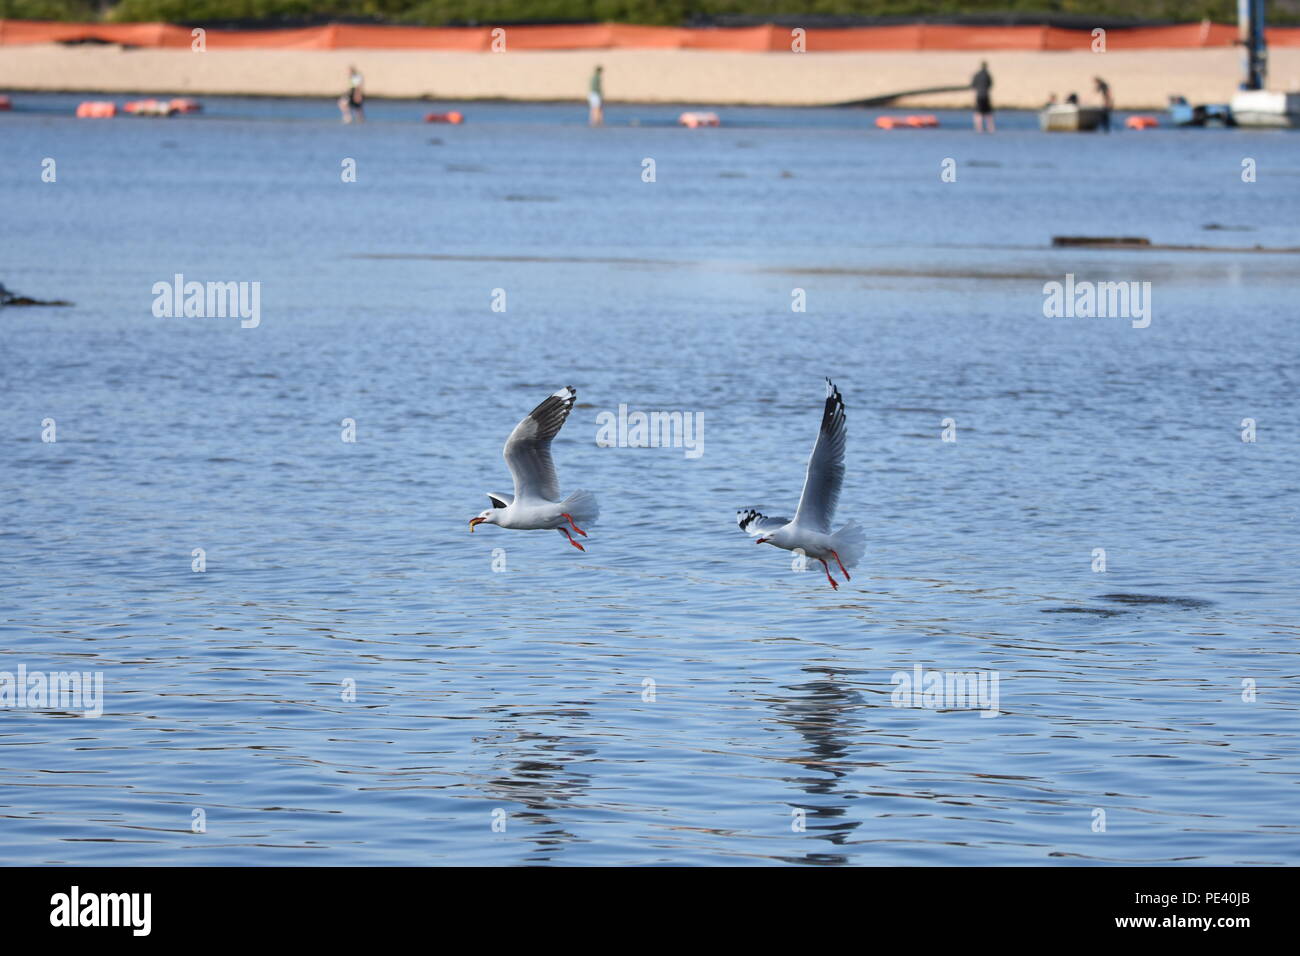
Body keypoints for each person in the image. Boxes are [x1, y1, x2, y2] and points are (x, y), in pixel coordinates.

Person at [971, 60, 994, 132]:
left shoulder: (977, 75)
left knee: (978, 112)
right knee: (988, 112)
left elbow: (973, 85)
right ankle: (990, 128)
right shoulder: (988, 75)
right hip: (986, 95)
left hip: (979, 96)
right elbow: (990, 85)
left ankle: (979, 128)